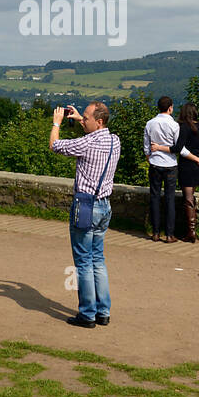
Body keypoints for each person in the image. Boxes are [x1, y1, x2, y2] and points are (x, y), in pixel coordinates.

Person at [50, 102, 121, 328]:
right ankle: (103, 311)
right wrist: (81, 117)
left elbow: (55, 145)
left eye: (87, 118)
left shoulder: (87, 143)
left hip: (85, 207)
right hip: (104, 207)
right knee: (98, 260)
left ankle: (87, 314)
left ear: (98, 121)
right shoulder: (114, 141)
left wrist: (56, 123)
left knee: (83, 262)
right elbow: (94, 129)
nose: (84, 121)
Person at [151, 102, 199, 242]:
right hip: (198, 165)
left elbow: (177, 149)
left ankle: (191, 232)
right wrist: (198, 159)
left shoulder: (184, 127)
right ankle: (190, 230)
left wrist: (159, 147)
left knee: (188, 199)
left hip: (187, 165)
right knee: (191, 197)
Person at [143, 96, 180, 242]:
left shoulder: (150, 123)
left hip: (155, 163)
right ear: (170, 107)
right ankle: (170, 234)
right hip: (170, 164)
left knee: (155, 197)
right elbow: (177, 147)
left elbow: (146, 147)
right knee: (170, 199)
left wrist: (150, 157)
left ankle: (155, 232)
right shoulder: (174, 125)